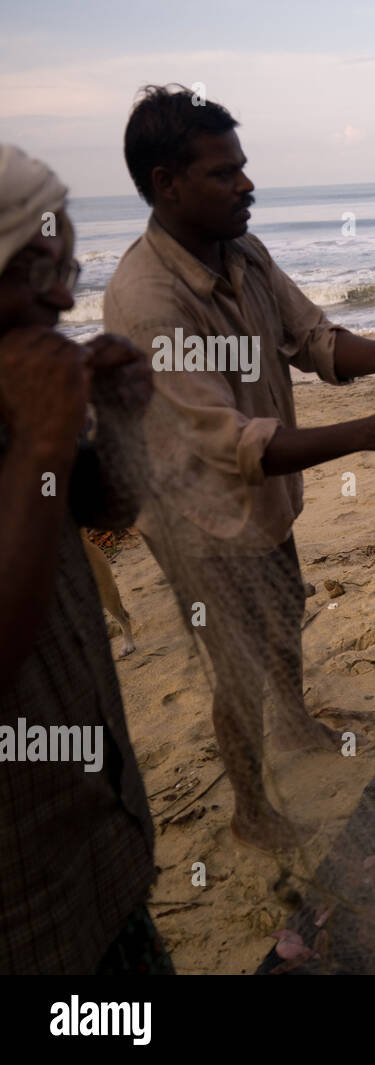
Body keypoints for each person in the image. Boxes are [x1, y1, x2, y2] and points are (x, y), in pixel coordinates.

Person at [103, 86, 375, 854]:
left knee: (285, 606)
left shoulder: (245, 252)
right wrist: (367, 433)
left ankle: (293, 722)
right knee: (232, 666)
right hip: (198, 518)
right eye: (224, 173)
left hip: (263, 500)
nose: (247, 184)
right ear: (166, 184)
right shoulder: (147, 301)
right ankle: (251, 811)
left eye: (243, 167)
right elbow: (236, 443)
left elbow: (317, 341)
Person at [0, 143, 171, 974]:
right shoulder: (25, 420)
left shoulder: (14, 402)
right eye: (35, 271)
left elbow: (106, 517)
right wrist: (41, 441)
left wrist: (119, 420)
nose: (66, 298)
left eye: (66, 266)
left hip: (102, 847)